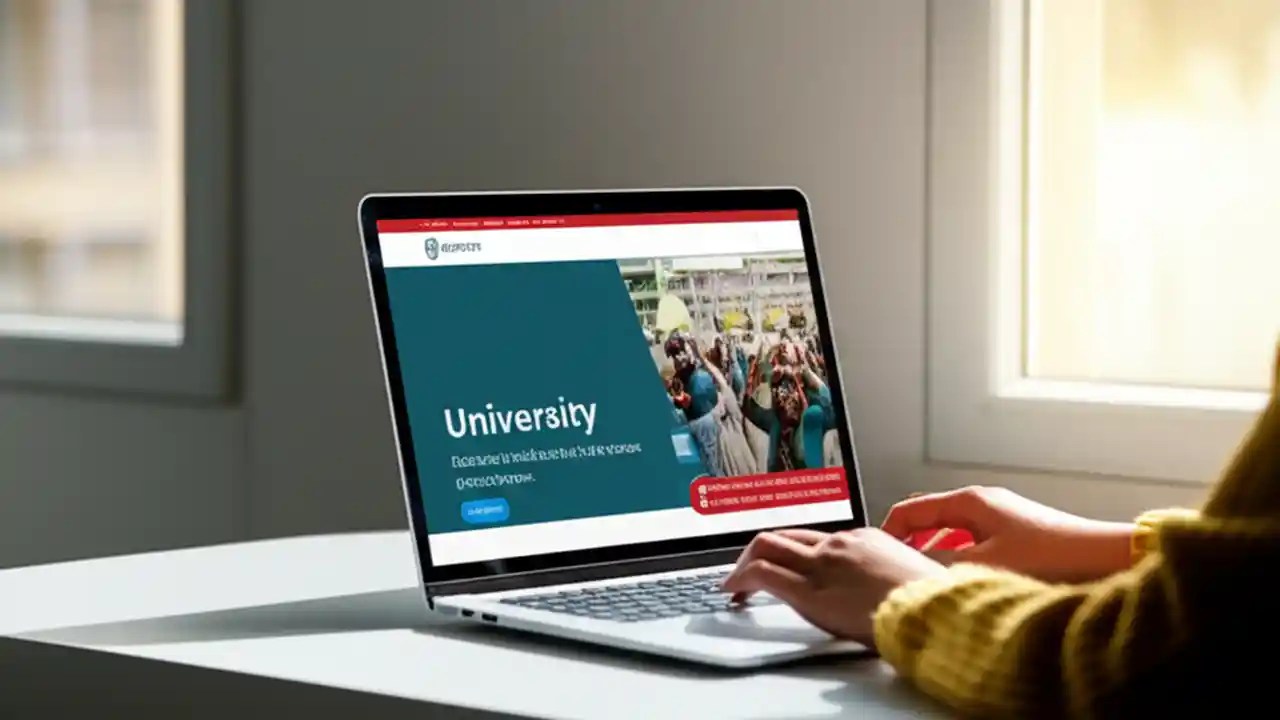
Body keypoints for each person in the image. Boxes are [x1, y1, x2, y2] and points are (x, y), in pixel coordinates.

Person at [723, 342, 1280, 717]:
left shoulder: (814, 412)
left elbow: (1144, 671)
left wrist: (916, 598)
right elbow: (1255, 576)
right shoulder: (775, 419)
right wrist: (1106, 548)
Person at [664, 332, 757, 477]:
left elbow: (722, 382)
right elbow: (721, 381)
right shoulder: (730, 412)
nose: (677, 357)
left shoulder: (715, 418)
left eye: (680, 352)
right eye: (674, 355)